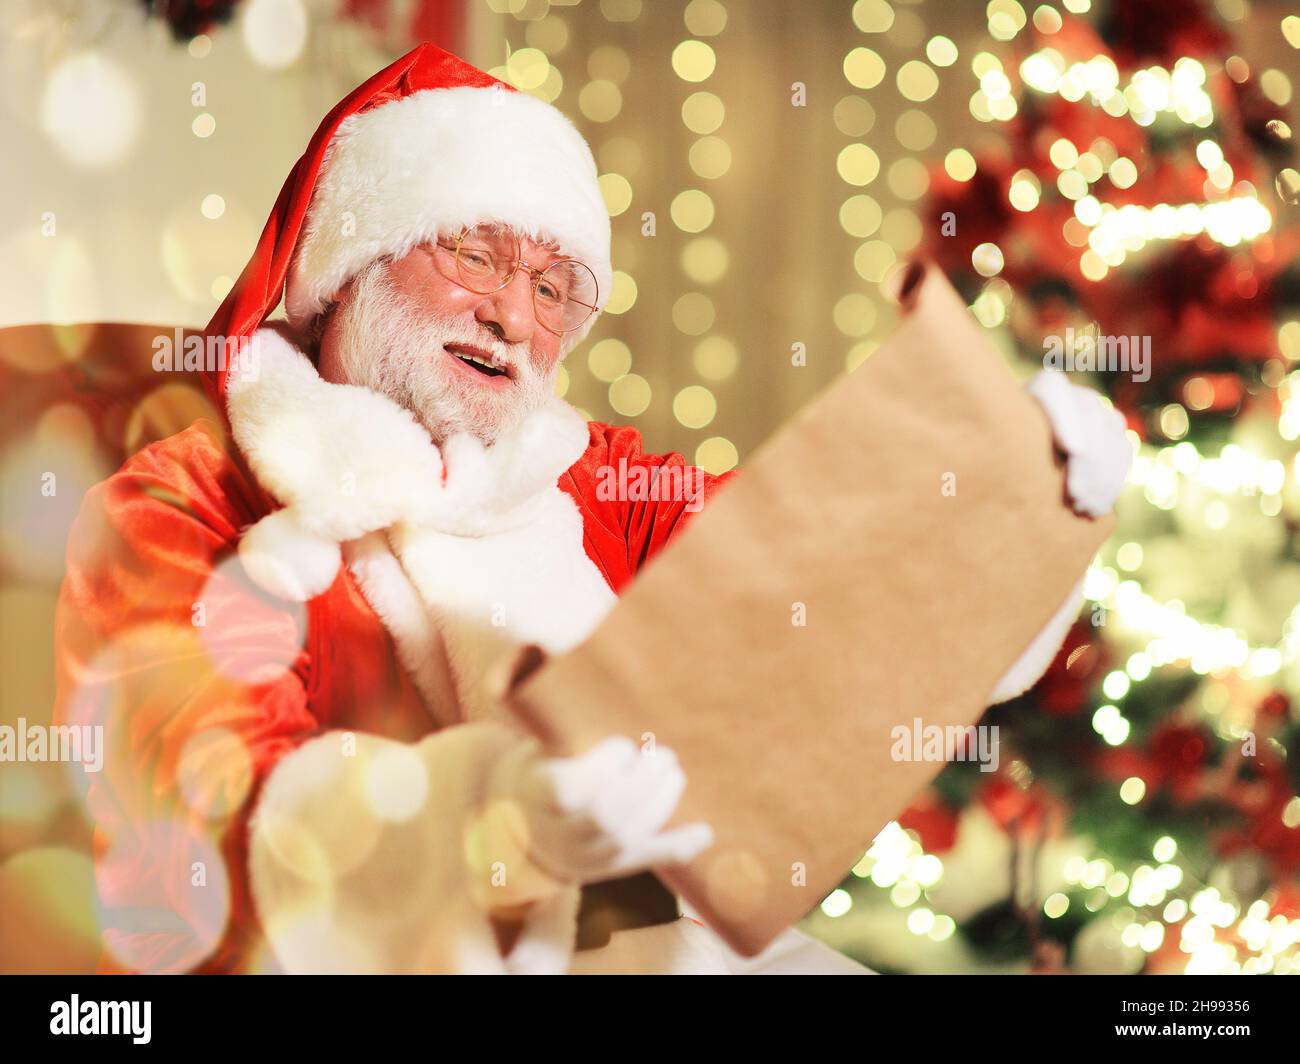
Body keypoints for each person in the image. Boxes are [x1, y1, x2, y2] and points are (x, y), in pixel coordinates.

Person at [52, 43, 1131, 975]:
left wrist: (994, 496)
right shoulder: (182, 501)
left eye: (556, 286)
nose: (514, 315)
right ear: (349, 270)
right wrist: (484, 822)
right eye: (474, 253)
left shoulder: (591, 483)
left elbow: (809, 565)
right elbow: (210, 795)